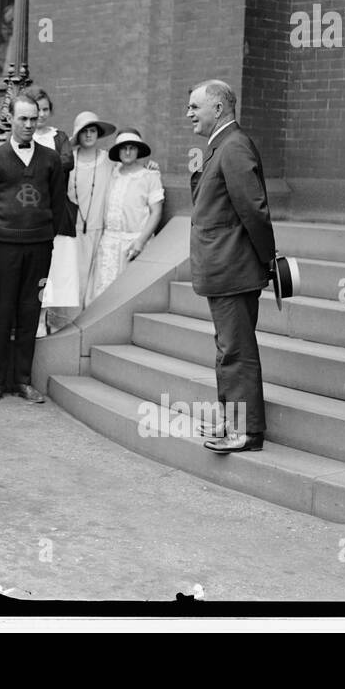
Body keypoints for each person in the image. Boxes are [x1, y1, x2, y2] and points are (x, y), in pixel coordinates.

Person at [186, 80, 275, 454]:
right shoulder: (222, 146)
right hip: (225, 269)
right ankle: (232, 419)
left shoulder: (233, 146)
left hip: (232, 269)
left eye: (195, 106)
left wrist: (268, 259)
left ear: (218, 108)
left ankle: (246, 430)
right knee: (228, 349)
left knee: (235, 350)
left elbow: (254, 211)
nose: (188, 113)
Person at [0, 93, 72, 405]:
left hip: (40, 247)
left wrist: (43, 235)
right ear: (11, 120)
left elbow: (57, 204)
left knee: (30, 311)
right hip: (4, 247)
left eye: (33, 118)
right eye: (22, 119)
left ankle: (24, 380)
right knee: (3, 310)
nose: (29, 124)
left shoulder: (51, 159)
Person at [93, 128, 164, 296]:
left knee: (128, 291)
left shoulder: (149, 176)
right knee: (104, 289)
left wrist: (140, 241)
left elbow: (156, 212)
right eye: (123, 148)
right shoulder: (112, 172)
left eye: (132, 148)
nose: (127, 152)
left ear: (138, 150)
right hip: (109, 241)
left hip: (133, 241)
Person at [68, 111, 117, 309]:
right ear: (78, 134)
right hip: (72, 232)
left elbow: (129, 172)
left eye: (93, 131)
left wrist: (149, 166)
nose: (89, 135)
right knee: (74, 280)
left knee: (95, 283)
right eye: (84, 131)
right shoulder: (68, 160)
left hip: (100, 231)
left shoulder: (108, 160)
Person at [26, 86, 74, 174]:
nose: (42, 114)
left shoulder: (60, 137)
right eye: (38, 110)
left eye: (45, 109)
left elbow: (68, 162)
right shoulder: (23, 136)